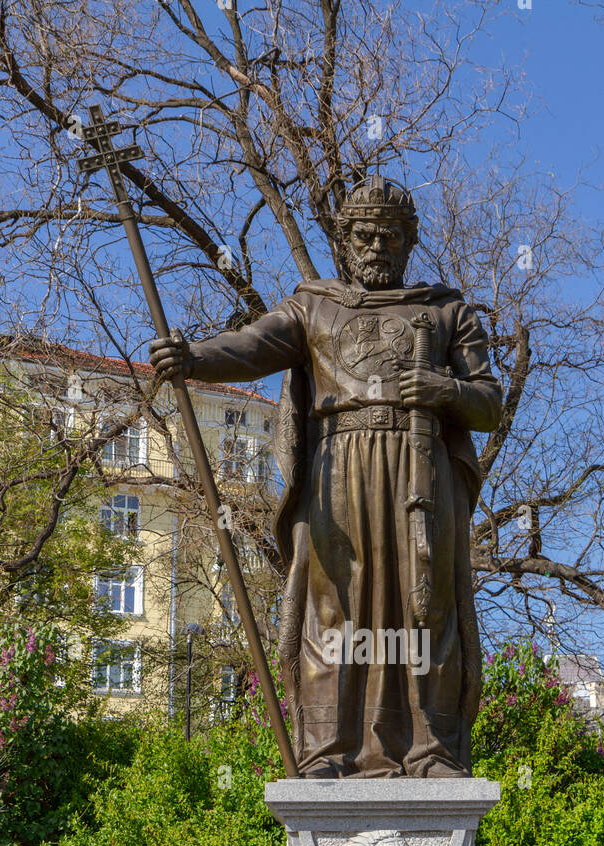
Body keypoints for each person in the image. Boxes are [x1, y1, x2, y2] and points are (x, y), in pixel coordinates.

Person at [150, 175, 501, 777]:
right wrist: (193, 356)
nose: (377, 248)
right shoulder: (313, 306)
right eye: (364, 235)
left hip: (421, 471)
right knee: (333, 610)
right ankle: (327, 752)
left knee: (426, 606)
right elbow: (250, 346)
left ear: (410, 240)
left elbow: (489, 403)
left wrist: (445, 389)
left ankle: (432, 751)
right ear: (345, 240)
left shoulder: (446, 309)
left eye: (390, 236)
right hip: (340, 467)